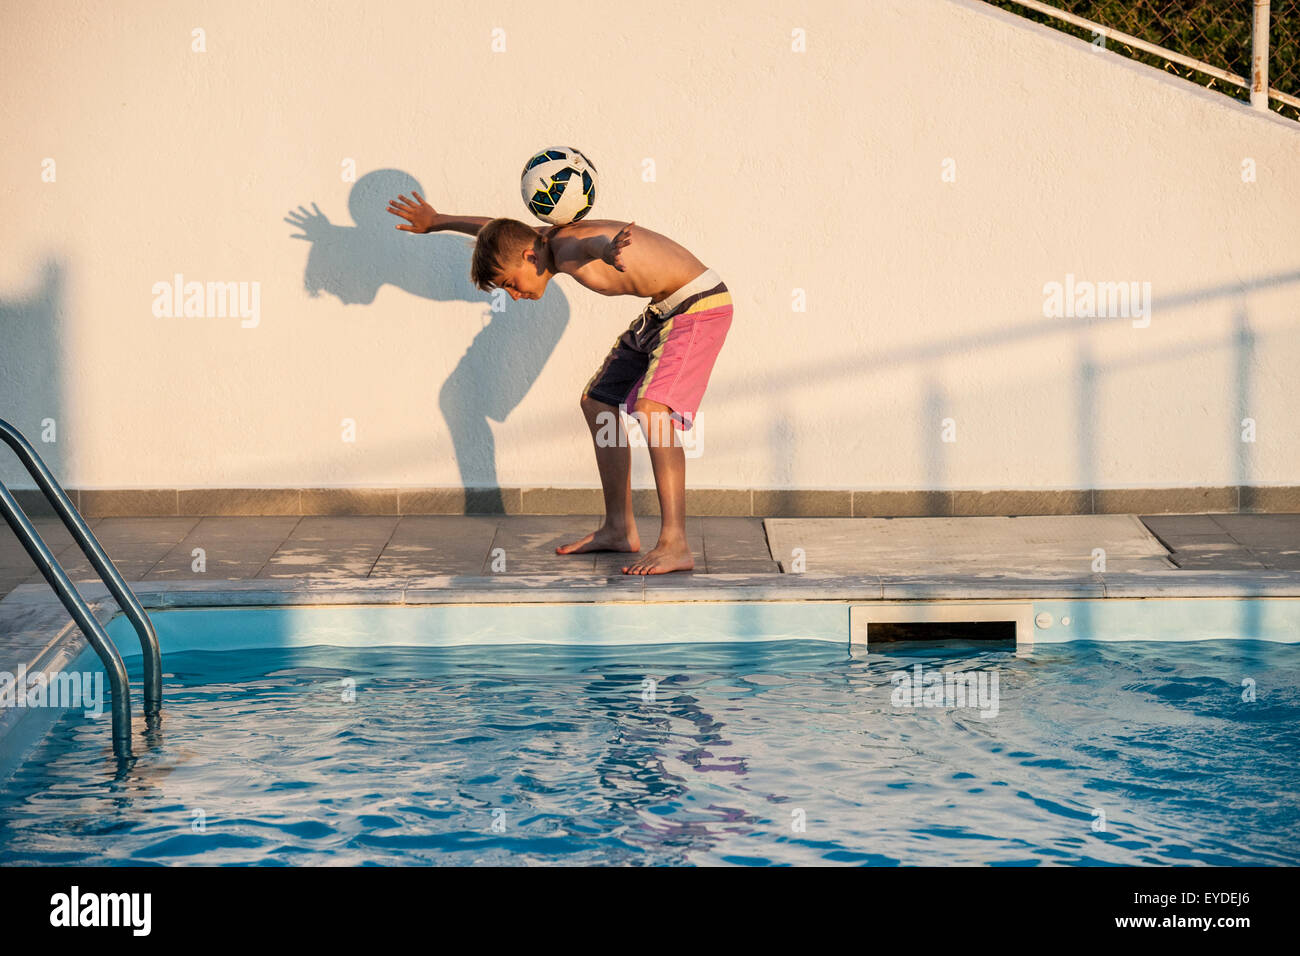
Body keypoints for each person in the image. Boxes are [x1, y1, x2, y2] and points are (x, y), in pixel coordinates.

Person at [388, 190, 733, 574]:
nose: (515, 296)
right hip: (662, 311)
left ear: (528, 258)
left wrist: (606, 249)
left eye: (510, 283)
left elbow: (588, 243)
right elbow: (496, 229)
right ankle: (619, 528)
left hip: (698, 307)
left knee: (651, 411)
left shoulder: (566, 246)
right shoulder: (539, 243)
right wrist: (437, 222)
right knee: (598, 400)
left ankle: (676, 544)